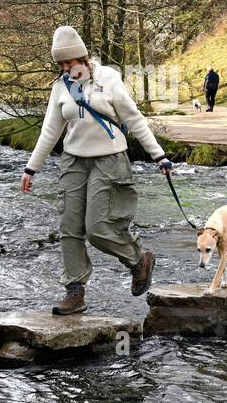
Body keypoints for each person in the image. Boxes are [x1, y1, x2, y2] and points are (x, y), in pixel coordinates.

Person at [20, 25, 173, 315]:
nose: (66, 68)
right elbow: (50, 131)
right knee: (69, 227)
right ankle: (75, 291)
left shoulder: (109, 79)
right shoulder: (60, 87)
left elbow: (135, 119)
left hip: (109, 159)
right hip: (74, 161)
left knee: (98, 228)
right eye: (61, 64)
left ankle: (138, 260)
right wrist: (31, 169)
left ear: (83, 56)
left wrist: (159, 156)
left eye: (70, 62)